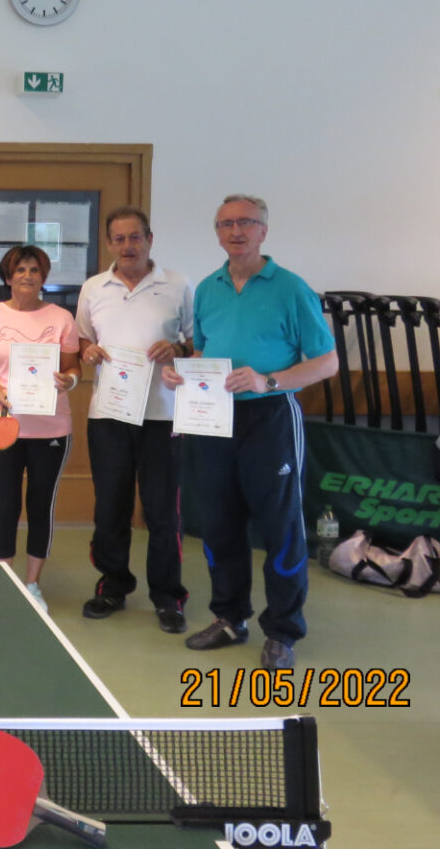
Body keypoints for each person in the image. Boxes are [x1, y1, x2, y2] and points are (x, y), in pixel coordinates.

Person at [163, 196, 338, 671]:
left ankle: (282, 631)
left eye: (245, 223)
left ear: (263, 230)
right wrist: (182, 372)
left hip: (271, 419)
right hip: (212, 419)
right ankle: (229, 618)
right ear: (217, 232)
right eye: (226, 224)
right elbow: (204, 349)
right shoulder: (209, 289)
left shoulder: (291, 288)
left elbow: (327, 361)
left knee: (281, 527)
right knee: (219, 524)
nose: (235, 231)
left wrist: (269, 380)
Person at [74, 207, 194, 633]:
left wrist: (177, 350)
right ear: (109, 243)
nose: (128, 246)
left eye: (135, 237)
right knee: (111, 505)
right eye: (119, 239)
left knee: (163, 510)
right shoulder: (94, 288)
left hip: (162, 415)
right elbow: (85, 338)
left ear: (150, 239)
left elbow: (196, 342)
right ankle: (113, 585)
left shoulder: (178, 285)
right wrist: (87, 352)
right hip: (109, 414)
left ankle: (168, 596)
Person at [0, 244, 81, 613]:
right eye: (20, 270)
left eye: (35, 270)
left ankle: (32, 583)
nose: (28, 276)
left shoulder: (63, 318)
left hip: (51, 428)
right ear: (8, 276)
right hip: (3, 424)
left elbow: (73, 368)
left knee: (40, 503)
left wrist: (69, 381)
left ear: (43, 277)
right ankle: (5, 577)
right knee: (6, 502)